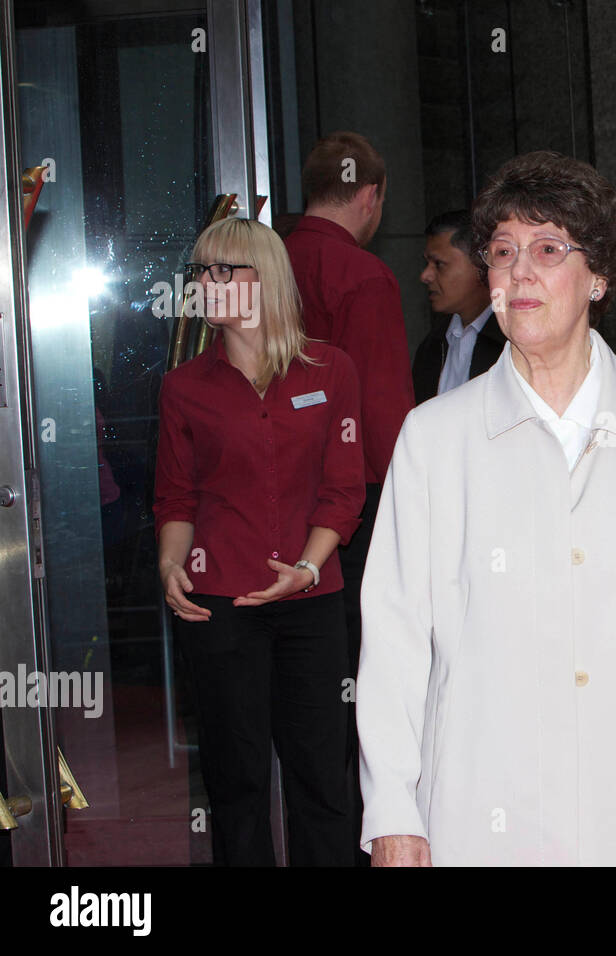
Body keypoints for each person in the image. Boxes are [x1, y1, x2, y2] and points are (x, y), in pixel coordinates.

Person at [357, 150, 616, 866]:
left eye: (548, 250)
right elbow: (393, 640)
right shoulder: (435, 436)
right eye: (503, 252)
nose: (519, 273)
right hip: (478, 806)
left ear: (598, 275)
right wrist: (394, 807)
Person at [154, 217, 364, 865]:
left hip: (312, 600)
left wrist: (305, 567)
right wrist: (168, 564)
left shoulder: (331, 369)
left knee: (323, 774)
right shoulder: (184, 387)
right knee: (235, 777)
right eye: (201, 271)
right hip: (218, 607)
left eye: (223, 270)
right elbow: (176, 498)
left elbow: (344, 491)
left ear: (263, 279)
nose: (207, 283)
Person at [284, 131, 415, 862]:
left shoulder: (272, 264)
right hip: (350, 513)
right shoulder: (363, 276)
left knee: (293, 709)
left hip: (273, 508)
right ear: (370, 197)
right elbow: (383, 412)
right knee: (361, 689)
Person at [410, 209, 507, 403]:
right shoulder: (432, 347)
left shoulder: (513, 344)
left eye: (439, 264)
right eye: (427, 263)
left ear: (480, 265)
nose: (425, 276)